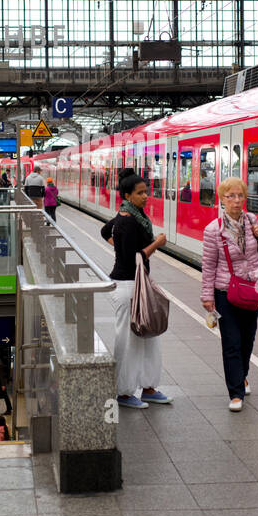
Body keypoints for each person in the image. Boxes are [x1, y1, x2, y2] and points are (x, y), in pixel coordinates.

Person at [101, 173, 172, 409]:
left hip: (137, 284)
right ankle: (123, 393)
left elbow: (104, 232)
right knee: (128, 341)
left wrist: (119, 248)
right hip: (126, 285)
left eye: (145, 191)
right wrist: (157, 244)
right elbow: (136, 257)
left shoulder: (132, 214)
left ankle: (149, 387)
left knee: (149, 338)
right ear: (128, 195)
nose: (145, 196)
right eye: (140, 193)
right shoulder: (127, 220)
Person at [200, 177, 258, 412]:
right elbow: (208, 266)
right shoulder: (213, 230)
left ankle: (243, 375)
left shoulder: (252, 221)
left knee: (248, 340)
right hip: (225, 292)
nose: (236, 201)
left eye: (240, 196)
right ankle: (236, 393)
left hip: (253, 289)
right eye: (231, 196)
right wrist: (207, 297)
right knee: (231, 342)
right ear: (222, 199)